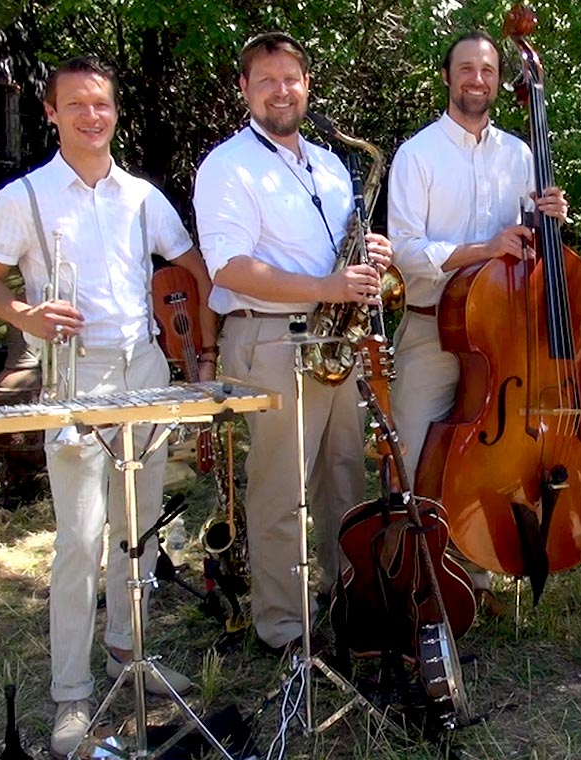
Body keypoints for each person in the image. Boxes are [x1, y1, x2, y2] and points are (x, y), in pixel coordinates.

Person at [0, 57, 218, 756]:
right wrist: (27, 313)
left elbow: (191, 266)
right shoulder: (24, 197)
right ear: (50, 113)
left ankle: (127, 655)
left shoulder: (142, 196)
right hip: (73, 374)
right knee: (79, 538)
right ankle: (72, 697)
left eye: (101, 104)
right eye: (75, 104)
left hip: (141, 365)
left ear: (114, 111)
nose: (91, 116)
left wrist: (196, 348)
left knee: (137, 533)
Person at [193, 32, 389, 654]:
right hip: (270, 339)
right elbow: (228, 269)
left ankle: (345, 601)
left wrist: (369, 257)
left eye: (292, 79)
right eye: (267, 80)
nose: (282, 91)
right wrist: (327, 284)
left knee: (343, 479)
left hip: (333, 339)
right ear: (245, 90)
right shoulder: (227, 166)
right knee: (282, 489)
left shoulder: (328, 164)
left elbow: (337, 255)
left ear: (307, 85)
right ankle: (284, 627)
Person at [386, 30, 568, 611]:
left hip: (500, 337)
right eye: (466, 69)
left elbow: (528, 253)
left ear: (497, 79)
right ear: (447, 76)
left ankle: (476, 577)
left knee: (483, 461)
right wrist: (482, 250)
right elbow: (405, 250)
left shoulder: (519, 154)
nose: (478, 80)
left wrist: (550, 221)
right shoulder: (418, 154)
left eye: (488, 70)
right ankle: (415, 583)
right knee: (417, 460)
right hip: (429, 327)